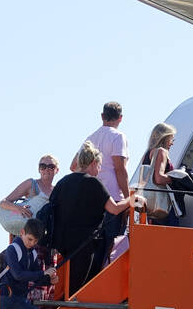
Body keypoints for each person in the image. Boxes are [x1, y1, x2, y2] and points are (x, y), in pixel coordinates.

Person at [45, 141, 136, 291]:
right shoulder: (93, 183)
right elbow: (114, 209)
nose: (99, 170)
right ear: (93, 163)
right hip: (84, 244)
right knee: (81, 287)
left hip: (61, 243)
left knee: (69, 284)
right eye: (99, 166)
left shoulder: (62, 182)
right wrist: (133, 198)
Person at [0, 218, 58, 309]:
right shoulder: (12, 249)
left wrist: (50, 281)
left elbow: (36, 279)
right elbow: (18, 275)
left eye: (35, 241)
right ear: (22, 232)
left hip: (15, 298)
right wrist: (43, 273)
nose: (32, 243)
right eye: (30, 239)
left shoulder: (33, 253)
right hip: (8, 297)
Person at [84, 102, 131, 258]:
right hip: (113, 198)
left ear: (102, 116)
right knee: (111, 244)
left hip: (92, 199)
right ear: (121, 118)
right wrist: (128, 197)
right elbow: (120, 169)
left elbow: (74, 166)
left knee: (94, 245)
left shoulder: (90, 138)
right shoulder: (118, 136)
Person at [143, 122, 193, 224]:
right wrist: (176, 178)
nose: (172, 143)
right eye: (171, 139)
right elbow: (159, 178)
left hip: (150, 204)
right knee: (171, 237)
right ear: (164, 138)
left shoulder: (147, 154)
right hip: (163, 204)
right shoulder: (161, 152)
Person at [0, 154, 59, 236]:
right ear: (39, 169)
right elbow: (3, 203)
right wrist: (19, 208)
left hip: (44, 233)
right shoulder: (31, 183)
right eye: (43, 166)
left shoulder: (57, 191)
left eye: (51, 166)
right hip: (28, 233)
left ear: (57, 170)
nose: (46, 169)